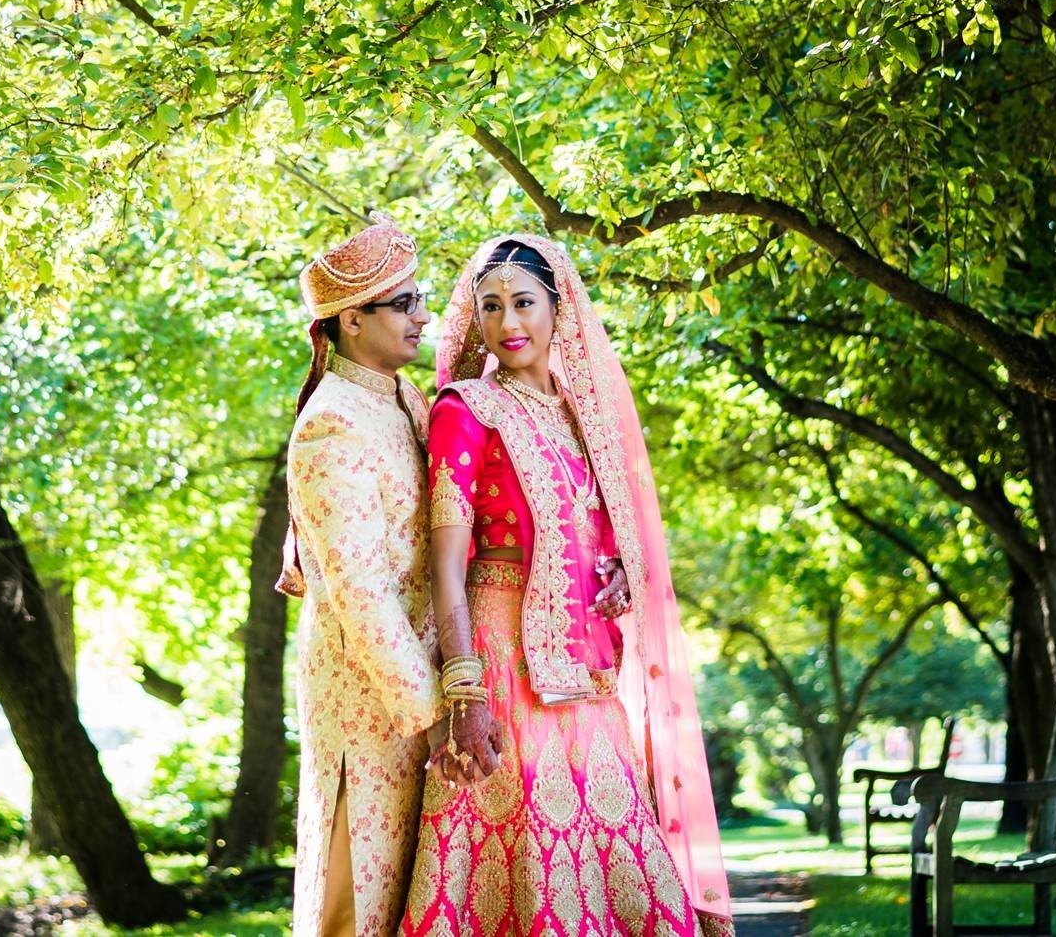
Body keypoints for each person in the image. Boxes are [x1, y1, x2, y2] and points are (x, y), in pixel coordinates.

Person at [401, 235, 733, 937]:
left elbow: (596, 532)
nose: (508, 322)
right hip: (500, 660)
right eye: (491, 307)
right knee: (527, 862)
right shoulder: (466, 409)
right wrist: (465, 693)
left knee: (620, 851)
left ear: (559, 309)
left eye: (524, 302)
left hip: (584, 672)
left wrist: (615, 572)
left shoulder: (585, 420)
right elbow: (446, 565)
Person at [282, 214, 445, 937]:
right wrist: (433, 713)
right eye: (404, 303)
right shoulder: (332, 422)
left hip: (426, 683)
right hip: (368, 701)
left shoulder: (401, 398)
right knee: (359, 900)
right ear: (352, 319)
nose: (422, 316)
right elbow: (361, 592)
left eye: (420, 298)